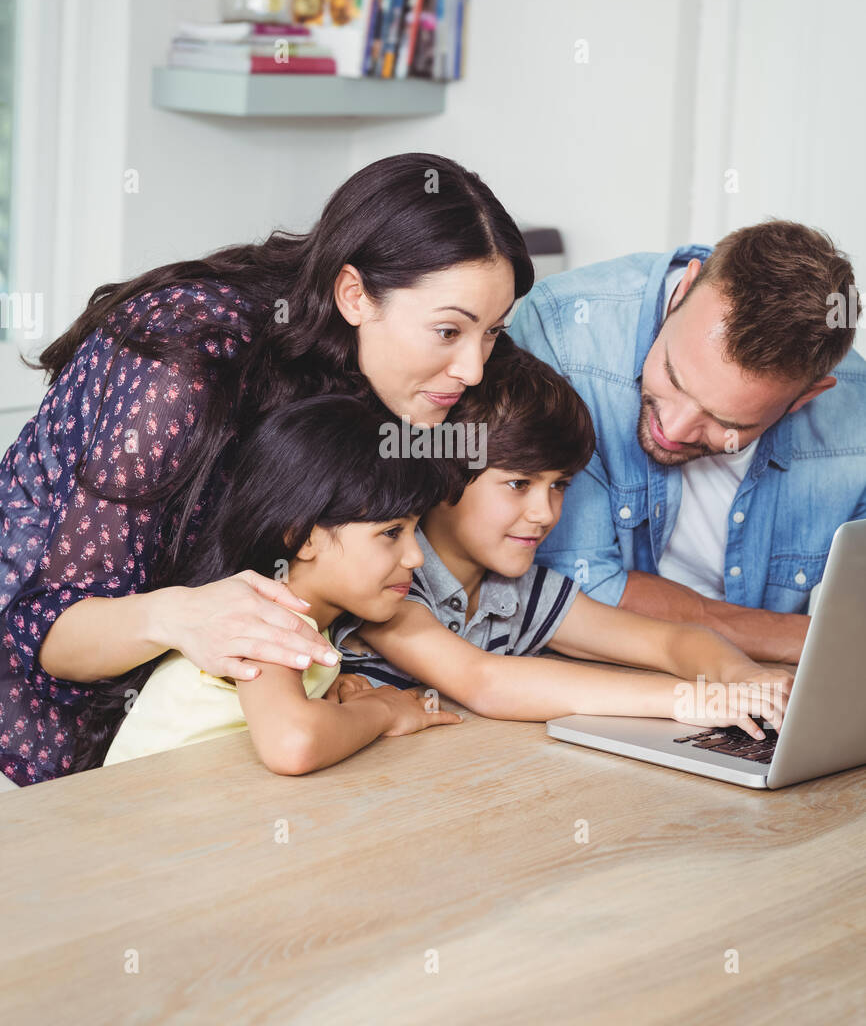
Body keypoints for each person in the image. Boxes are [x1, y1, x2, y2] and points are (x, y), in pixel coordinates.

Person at [0, 153, 532, 786]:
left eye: (493, 333)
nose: (473, 368)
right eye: (449, 331)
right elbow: (44, 634)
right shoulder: (183, 364)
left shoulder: (390, 379)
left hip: (193, 745)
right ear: (354, 294)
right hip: (36, 741)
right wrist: (177, 616)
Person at [331, 339, 792, 737]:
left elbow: (673, 642)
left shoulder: (522, 593)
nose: (544, 512)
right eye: (519, 484)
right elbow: (484, 682)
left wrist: (744, 676)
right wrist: (687, 700)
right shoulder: (389, 580)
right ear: (443, 472)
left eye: (559, 485)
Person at [508, 220, 866, 664]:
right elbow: (564, 589)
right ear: (684, 291)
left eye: (723, 421)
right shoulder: (564, 331)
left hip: (769, 688)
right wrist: (803, 638)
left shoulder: (859, 418)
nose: (674, 430)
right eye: (674, 377)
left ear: (804, 398)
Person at [99, 398, 462, 775]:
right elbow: (293, 745)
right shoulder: (262, 619)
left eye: (414, 531)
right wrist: (383, 711)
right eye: (391, 532)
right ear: (302, 537)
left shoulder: (297, 618)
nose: (416, 557)